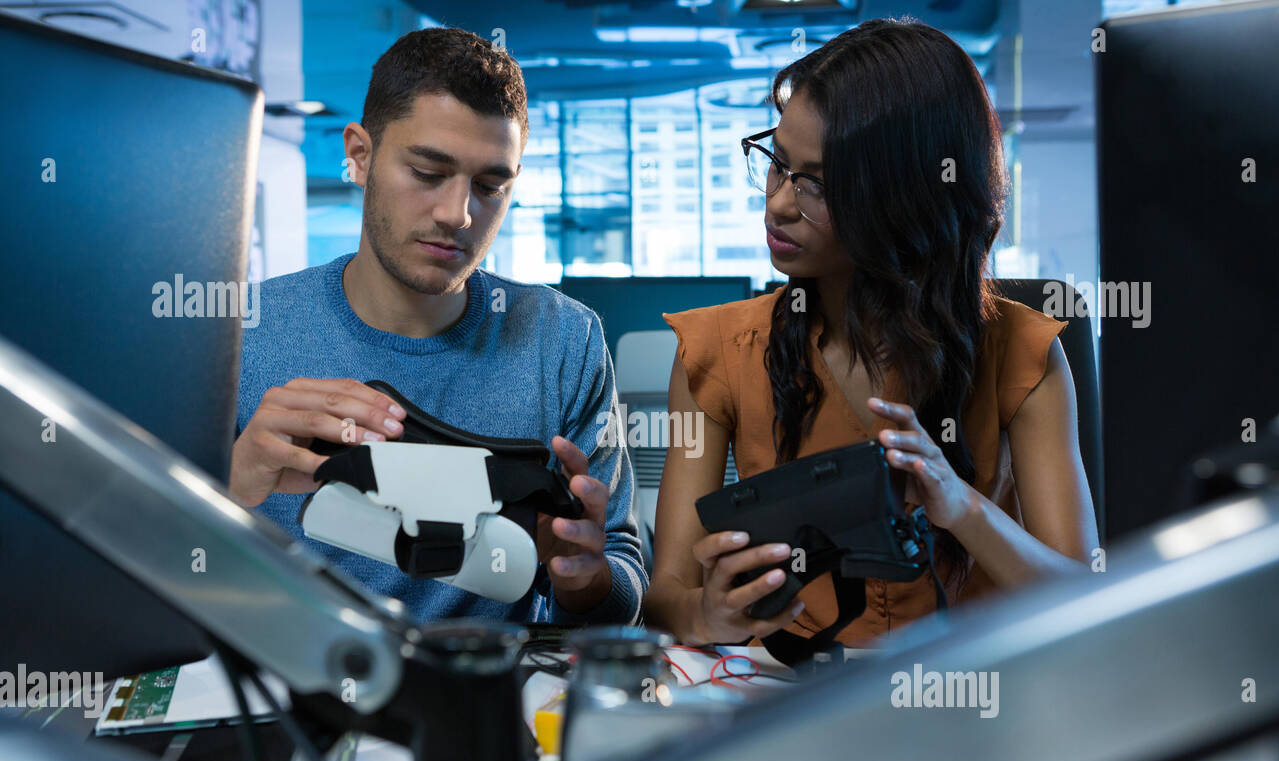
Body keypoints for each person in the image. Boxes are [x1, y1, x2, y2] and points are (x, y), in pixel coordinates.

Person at [644, 18, 1099, 655]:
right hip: (792, 693)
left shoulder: (1024, 352)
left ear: (907, 202)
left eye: (817, 185)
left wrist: (962, 507)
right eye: (777, 163)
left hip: (982, 684)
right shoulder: (717, 348)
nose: (776, 203)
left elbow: (1083, 599)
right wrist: (709, 615)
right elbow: (664, 597)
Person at [230, 27, 645, 625]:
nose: (458, 214)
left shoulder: (563, 339)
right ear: (359, 155)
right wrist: (230, 491)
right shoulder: (242, 334)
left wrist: (581, 576)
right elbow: (148, 570)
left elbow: (622, 583)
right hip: (290, 684)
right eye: (428, 172)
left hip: (492, 694)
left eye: (490, 185)